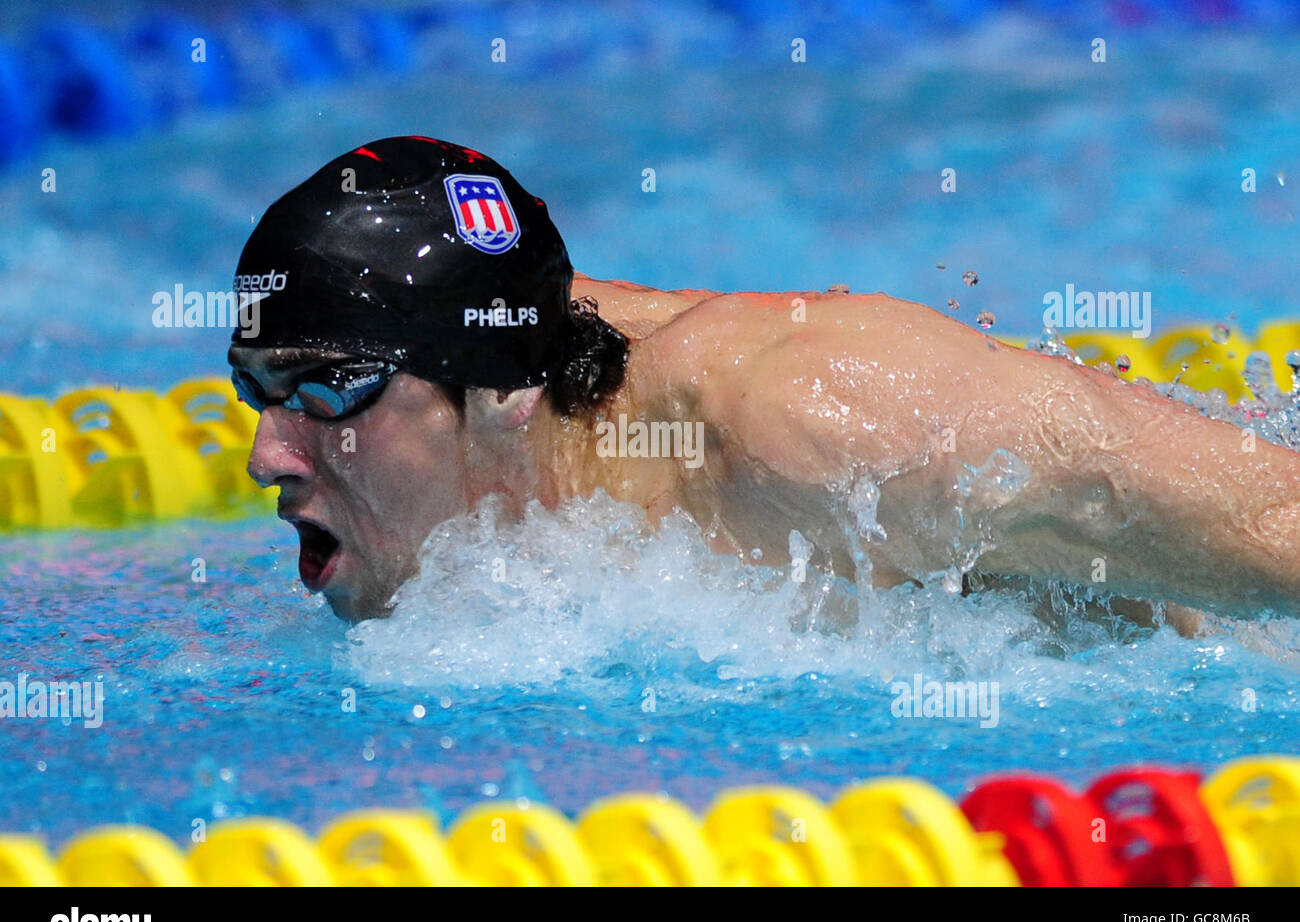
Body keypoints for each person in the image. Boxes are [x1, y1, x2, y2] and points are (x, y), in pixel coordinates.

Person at [228, 136, 1300, 635]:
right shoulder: (505, 355)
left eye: (327, 394)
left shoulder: (809, 428)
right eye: (259, 385)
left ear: (501, 387)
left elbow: (1273, 515)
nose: (269, 453)